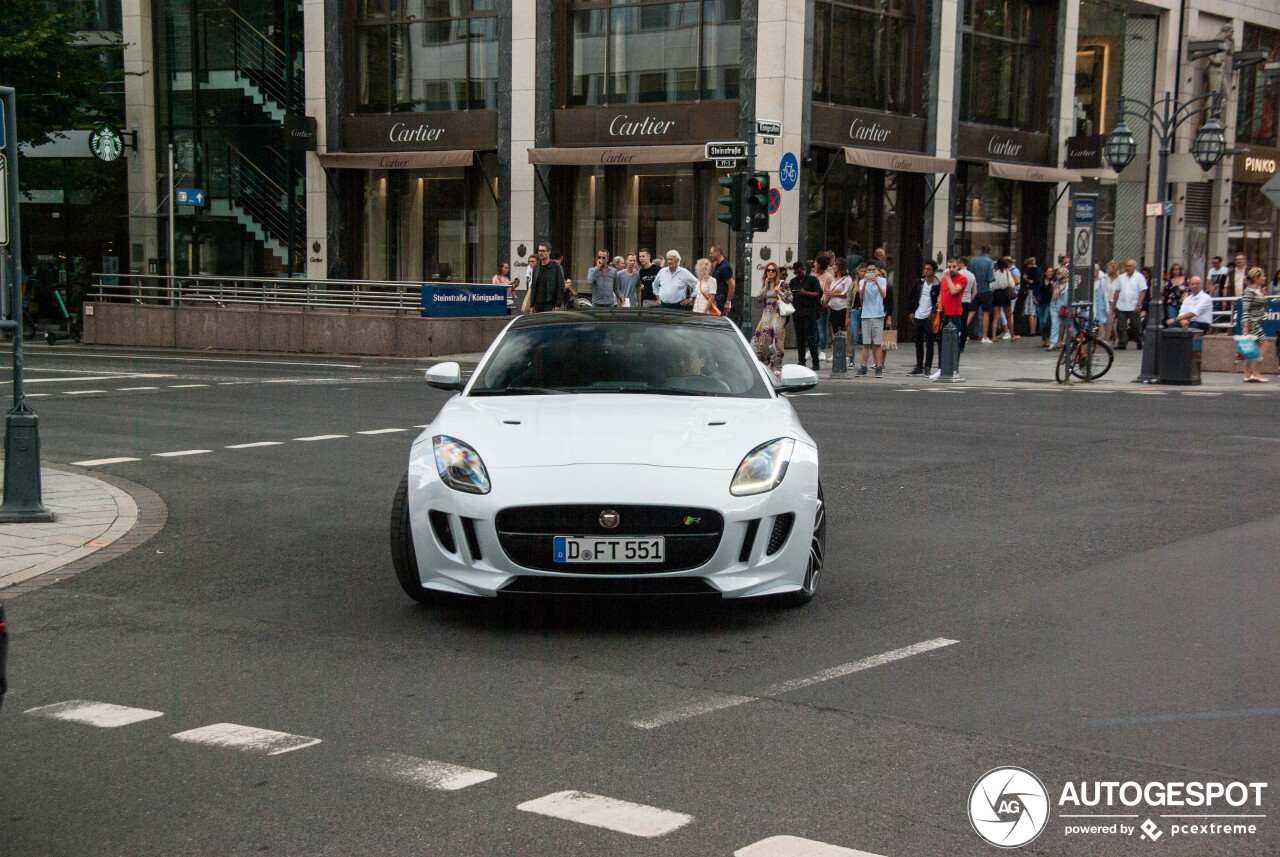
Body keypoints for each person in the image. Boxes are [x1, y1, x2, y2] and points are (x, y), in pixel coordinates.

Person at [751, 263, 791, 375]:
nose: (770, 272)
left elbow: (789, 298)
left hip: (778, 315)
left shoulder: (783, 284)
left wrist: (779, 291)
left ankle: (776, 365)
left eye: (773, 270)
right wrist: (764, 287)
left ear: (776, 272)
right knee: (762, 338)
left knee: (777, 338)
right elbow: (759, 299)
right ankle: (763, 362)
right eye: (768, 270)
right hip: (767, 315)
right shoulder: (766, 284)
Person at [930, 258, 966, 380]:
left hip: (954, 313)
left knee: (954, 342)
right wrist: (937, 307)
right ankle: (941, 368)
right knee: (941, 341)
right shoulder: (944, 279)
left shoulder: (962, 279)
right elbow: (941, 294)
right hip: (943, 314)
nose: (951, 269)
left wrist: (948, 277)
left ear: (958, 267)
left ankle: (954, 369)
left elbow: (954, 290)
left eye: (953, 267)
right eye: (949, 267)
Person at [908, 261, 941, 376]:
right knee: (918, 342)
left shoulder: (937, 285)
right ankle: (919, 365)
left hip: (929, 317)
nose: (926, 271)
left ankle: (928, 366)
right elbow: (911, 297)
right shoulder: (919, 283)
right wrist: (911, 311)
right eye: (925, 269)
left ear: (934, 271)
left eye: (929, 269)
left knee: (930, 342)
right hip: (918, 314)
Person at [856, 260, 887, 377]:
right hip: (866, 314)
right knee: (866, 343)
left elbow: (884, 295)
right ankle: (863, 366)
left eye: (873, 270)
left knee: (877, 343)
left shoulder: (882, 280)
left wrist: (877, 282)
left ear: (877, 271)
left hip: (878, 314)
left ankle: (879, 366)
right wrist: (864, 283)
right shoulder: (862, 282)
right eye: (869, 270)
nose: (871, 272)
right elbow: (861, 296)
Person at [789, 261, 822, 370]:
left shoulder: (812, 280)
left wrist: (805, 293)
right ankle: (801, 360)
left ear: (804, 269)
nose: (797, 275)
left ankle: (815, 362)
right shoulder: (793, 281)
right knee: (799, 337)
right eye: (795, 273)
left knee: (811, 337)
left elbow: (818, 294)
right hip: (797, 311)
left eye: (799, 272)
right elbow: (789, 294)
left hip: (809, 311)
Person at [1239, 266, 1269, 382]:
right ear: (1256, 278)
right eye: (1262, 276)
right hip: (1252, 322)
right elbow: (1245, 309)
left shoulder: (1257, 290)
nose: (1264, 278)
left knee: (1249, 347)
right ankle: (1256, 372)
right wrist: (1246, 325)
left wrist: (1263, 296)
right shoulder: (1249, 291)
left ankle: (1247, 374)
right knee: (1265, 344)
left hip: (1255, 321)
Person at [1113, 259, 1147, 350]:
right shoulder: (1121, 277)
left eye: (1129, 266)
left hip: (1133, 305)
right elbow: (1117, 291)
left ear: (1134, 267)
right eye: (1127, 266)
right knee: (1121, 325)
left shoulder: (1139, 277)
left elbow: (1142, 291)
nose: (1127, 268)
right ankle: (1122, 343)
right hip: (1122, 305)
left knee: (1136, 325)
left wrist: (1139, 304)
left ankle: (1139, 341)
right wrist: (1114, 304)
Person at [824, 256, 852, 357]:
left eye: (835, 265)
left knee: (842, 331)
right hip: (833, 307)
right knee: (835, 331)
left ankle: (844, 353)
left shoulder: (847, 279)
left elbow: (846, 294)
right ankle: (836, 352)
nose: (834, 266)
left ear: (841, 266)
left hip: (842, 307)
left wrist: (833, 294)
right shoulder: (835, 279)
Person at [968, 245, 995, 342]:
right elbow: (990, 278)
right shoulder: (989, 262)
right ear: (989, 251)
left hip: (974, 289)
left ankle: (961, 332)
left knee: (971, 311)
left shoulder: (973, 260)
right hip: (985, 289)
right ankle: (984, 336)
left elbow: (970, 274)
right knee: (985, 313)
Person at [527, 243, 565, 313]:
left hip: (550, 304)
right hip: (537, 305)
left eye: (543, 251)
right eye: (539, 251)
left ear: (549, 252)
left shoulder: (556, 267)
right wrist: (531, 305)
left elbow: (561, 286)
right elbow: (534, 287)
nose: (541, 253)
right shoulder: (536, 267)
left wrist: (557, 305)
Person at [990, 257, 1018, 341]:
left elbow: (991, 286)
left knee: (996, 316)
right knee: (1009, 316)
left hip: (996, 294)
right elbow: (1012, 284)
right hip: (1005, 294)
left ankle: (994, 336)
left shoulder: (994, 273)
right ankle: (1012, 335)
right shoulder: (1007, 272)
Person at [813, 252, 835, 359]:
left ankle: (822, 349)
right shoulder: (814, 275)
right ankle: (813, 349)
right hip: (813, 304)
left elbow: (828, 293)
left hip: (823, 304)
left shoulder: (828, 277)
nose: (814, 264)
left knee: (822, 327)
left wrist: (823, 305)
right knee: (814, 328)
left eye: (816, 263)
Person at [1048, 255, 1070, 349]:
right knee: (1055, 324)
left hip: (1064, 308)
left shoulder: (1068, 285)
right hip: (1055, 306)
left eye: (1059, 274)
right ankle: (1052, 343)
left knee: (1068, 326)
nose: (1057, 276)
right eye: (1057, 274)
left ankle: (1070, 341)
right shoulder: (1057, 284)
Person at [958, 257, 977, 352]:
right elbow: (975, 291)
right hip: (967, 301)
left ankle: (955, 341)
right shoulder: (971, 275)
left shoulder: (958, 274)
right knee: (964, 323)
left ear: (961, 263)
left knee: (955, 321)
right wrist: (969, 298)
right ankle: (962, 345)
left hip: (958, 301)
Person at [1025, 257, 1046, 340]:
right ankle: (1036, 330)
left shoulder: (1031, 270)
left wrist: (1025, 278)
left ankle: (1032, 331)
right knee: (1035, 313)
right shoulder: (1039, 270)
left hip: (1032, 291)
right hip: (1038, 291)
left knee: (1031, 312)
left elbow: (1031, 281)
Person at [709, 245, 735, 315]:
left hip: (721, 297)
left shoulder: (724, 267)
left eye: (711, 253)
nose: (710, 255)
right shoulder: (718, 265)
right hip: (716, 296)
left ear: (717, 253)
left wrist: (727, 302)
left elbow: (731, 285)